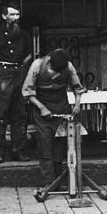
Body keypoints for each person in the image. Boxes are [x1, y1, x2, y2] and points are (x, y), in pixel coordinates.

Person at [0, 2, 33, 163]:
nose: (16, 18)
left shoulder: (24, 35)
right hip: (0, 74)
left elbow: (29, 55)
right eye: (12, 15)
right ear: (4, 16)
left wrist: (21, 68)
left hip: (18, 75)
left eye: (17, 14)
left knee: (20, 115)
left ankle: (19, 151)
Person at [22, 49, 85, 187]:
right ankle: (48, 182)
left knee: (61, 146)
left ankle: (60, 181)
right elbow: (28, 92)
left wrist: (77, 104)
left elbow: (77, 88)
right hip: (42, 108)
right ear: (49, 61)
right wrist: (42, 108)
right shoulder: (37, 65)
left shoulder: (68, 66)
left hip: (62, 107)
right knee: (45, 144)